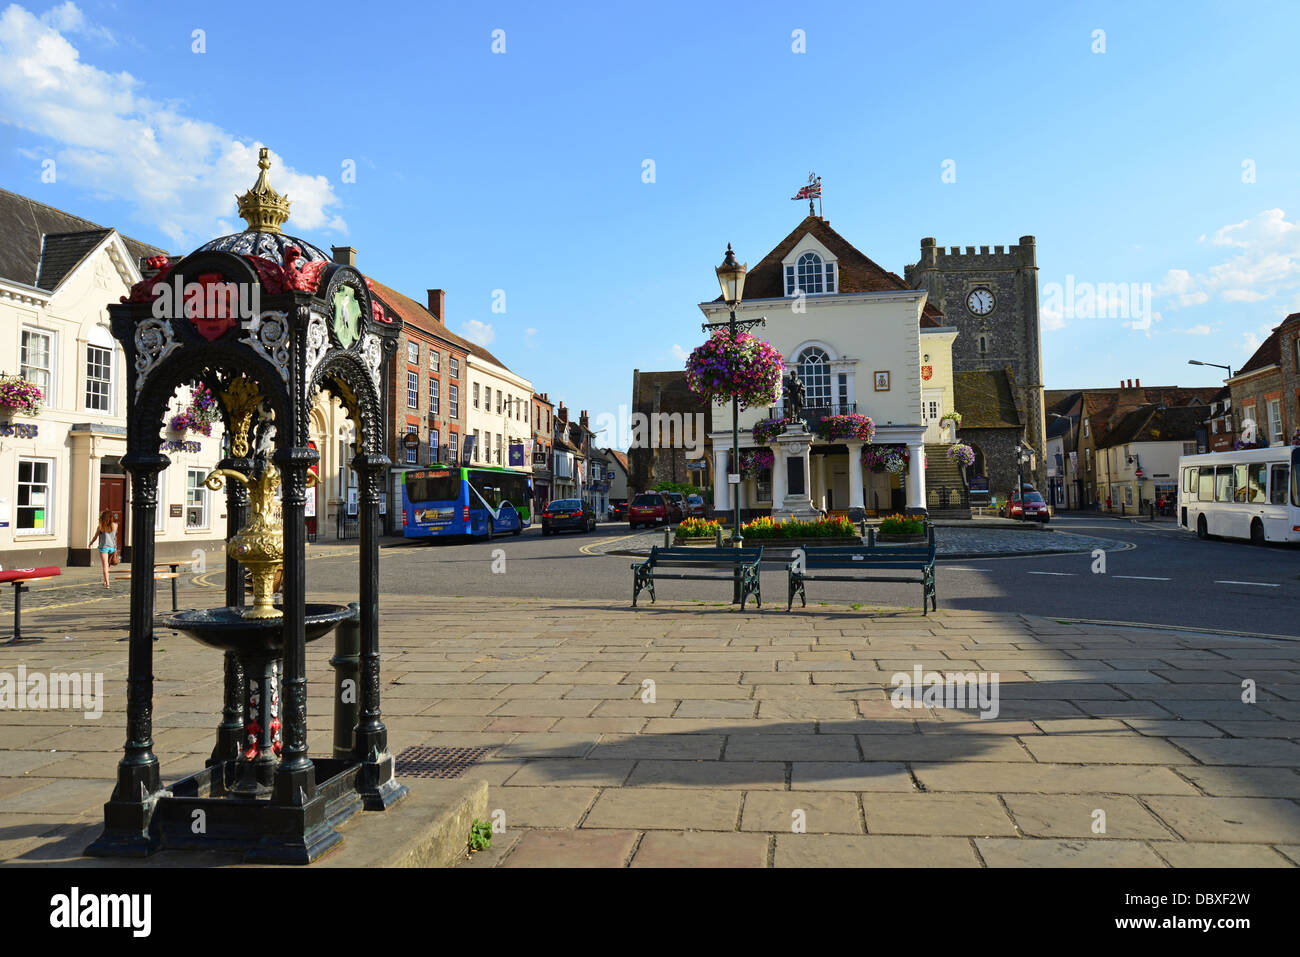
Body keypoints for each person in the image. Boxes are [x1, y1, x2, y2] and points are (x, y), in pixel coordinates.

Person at [90, 510, 118, 588]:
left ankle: (107, 583)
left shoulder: (101, 527)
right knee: (108, 565)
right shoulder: (115, 525)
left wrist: (91, 543)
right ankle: (105, 581)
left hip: (104, 548)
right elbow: (115, 537)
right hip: (112, 548)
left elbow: (95, 537)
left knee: (105, 565)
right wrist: (115, 547)